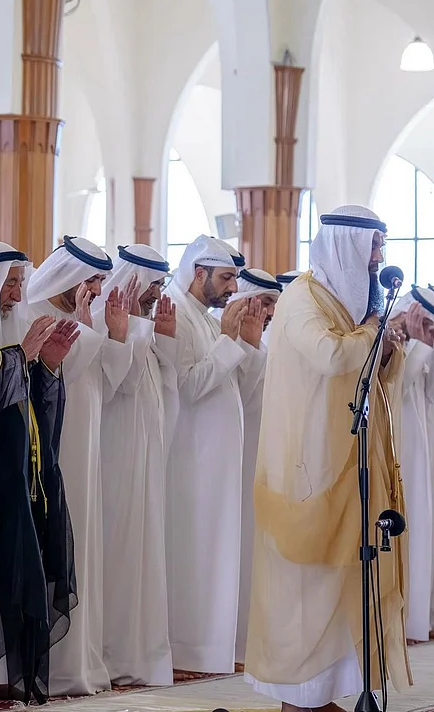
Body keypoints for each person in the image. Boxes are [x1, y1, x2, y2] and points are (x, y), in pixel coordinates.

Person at [245, 205, 411, 711]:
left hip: (349, 468)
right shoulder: (302, 299)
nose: (379, 257)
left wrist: (383, 344)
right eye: (374, 247)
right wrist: (372, 332)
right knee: (308, 594)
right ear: (348, 247)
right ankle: (301, 698)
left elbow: (370, 368)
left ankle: (332, 694)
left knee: (347, 588)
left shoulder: (347, 305)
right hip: (308, 474)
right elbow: (331, 355)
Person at [0, 242, 78, 704]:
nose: (15, 292)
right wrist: (21, 357)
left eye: (20, 283)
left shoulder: (14, 328)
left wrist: (48, 366)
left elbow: (27, 402)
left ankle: (2, 675)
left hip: (15, 480)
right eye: (8, 282)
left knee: (11, 574)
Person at [26, 235, 136, 696]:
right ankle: (60, 663)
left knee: (85, 544)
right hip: (55, 446)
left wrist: (115, 334)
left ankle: (84, 658)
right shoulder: (34, 311)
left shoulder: (77, 318)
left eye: (99, 280)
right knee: (59, 546)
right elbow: (53, 378)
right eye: (89, 279)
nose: (94, 288)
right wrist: (92, 326)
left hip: (86, 444)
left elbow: (107, 387)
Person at [166, 235, 267, 677]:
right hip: (195, 459)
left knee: (219, 552)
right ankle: (190, 651)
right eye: (226, 278)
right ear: (198, 272)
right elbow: (187, 387)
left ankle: (213, 649)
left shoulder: (205, 320)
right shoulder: (178, 316)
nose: (232, 288)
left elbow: (235, 391)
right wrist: (229, 340)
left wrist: (246, 343)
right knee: (197, 552)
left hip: (220, 460)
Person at [99, 244, 179, 687]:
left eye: (160, 285)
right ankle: (113, 654)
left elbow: (167, 386)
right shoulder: (104, 316)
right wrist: (125, 330)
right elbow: (121, 385)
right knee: (120, 552)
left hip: (145, 455)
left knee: (143, 552)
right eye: (151, 284)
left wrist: (161, 335)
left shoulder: (141, 324)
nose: (156, 293)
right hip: (117, 454)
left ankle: (140, 653)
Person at [225, 269, 282, 667]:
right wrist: (246, 343)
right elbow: (241, 394)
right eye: (264, 302)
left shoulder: (270, 337)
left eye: (274, 305)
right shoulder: (226, 331)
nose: (269, 311)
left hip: (263, 458)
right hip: (237, 458)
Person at [389, 289, 434, 644]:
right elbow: (392, 388)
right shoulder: (391, 335)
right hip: (396, 451)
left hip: (420, 454)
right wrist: (418, 342)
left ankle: (419, 618)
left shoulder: (419, 344)